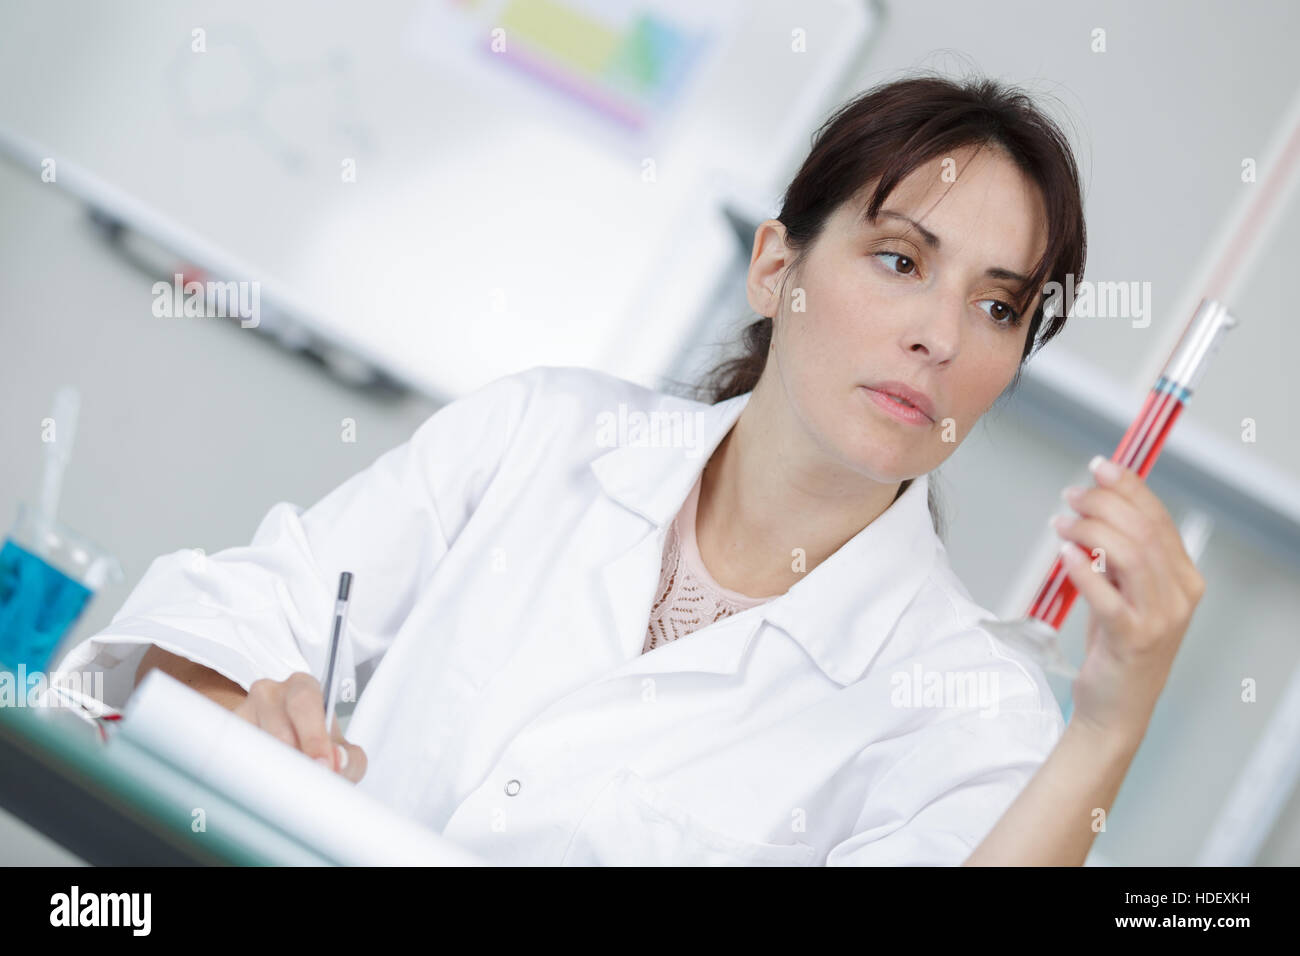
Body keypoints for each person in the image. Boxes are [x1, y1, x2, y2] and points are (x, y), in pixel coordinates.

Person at [52, 72, 1204, 866]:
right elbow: (181, 639)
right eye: (900, 259)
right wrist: (229, 717)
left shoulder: (968, 706)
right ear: (774, 267)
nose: (941, 336)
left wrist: (1106, 731)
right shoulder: (540, 435)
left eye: (998, 305)